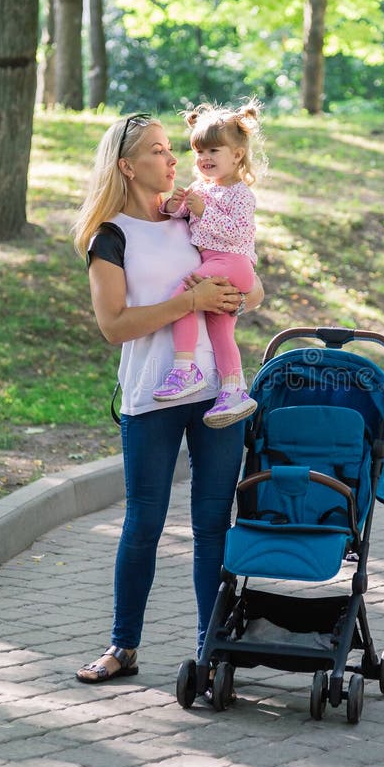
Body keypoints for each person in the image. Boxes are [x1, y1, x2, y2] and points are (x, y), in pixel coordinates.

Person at [72, 113, 264, 684]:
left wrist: (237, 295)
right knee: (144, 524)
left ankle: (211, 652)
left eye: (170, 148)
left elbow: (250, 286)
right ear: (128, 166)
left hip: (216, 397)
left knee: (212, 526)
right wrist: (191, 302)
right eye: (158, 151)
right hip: (150, 397)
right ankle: (122, 646)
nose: (173, 158)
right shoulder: (110, 237)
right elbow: (114, 325)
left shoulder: (194, 215)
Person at [153, 99, 265, 429]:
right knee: (219, 330)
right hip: (217, 262)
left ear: (237, 155)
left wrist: (204, 210)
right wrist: (175, 207)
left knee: (183, 295)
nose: (205, 159)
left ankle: (185, 369)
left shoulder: (240, 194)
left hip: (233, 263)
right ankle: (234, 391)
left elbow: (237, 233)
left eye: (214, 151)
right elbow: (186, 216)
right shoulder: (202, 189)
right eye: (200, 152)